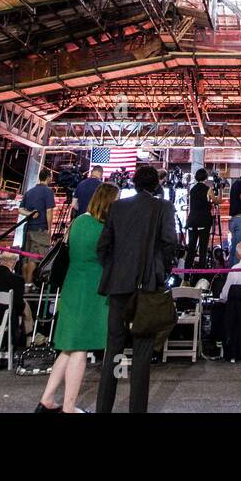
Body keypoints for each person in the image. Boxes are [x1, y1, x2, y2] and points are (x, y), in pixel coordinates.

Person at [95, 164, 181, 414]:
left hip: (118, 286)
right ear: (157, 185)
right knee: (142, 354)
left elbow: (103, 247)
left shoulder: (117, 207)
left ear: (133, 183)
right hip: (146, 286)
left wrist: (115, 270)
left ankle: (103, 408)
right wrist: (161, 273)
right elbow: (169, 244)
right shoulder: (163, 207)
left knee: (113, 350)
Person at [38, 182, 119, 412]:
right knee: (80, 349)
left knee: (68, 347)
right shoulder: (102, 228)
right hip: (92, 289)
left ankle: (47, 398)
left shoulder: (78, 222)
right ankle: (70, 406)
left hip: (71, 285)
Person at [20, 169, 57, 283]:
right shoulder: (48, 192)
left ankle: (25, 283)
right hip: (40, 228)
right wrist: (49, 229)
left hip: (28, 228)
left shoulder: (29, 192)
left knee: (26, 257)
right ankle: (30, 283)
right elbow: (49, 211)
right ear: (48, 177)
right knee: (35, 257)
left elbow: (20, 210)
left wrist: (30, 214)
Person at [184, 168, 215, 279]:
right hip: (203, 221)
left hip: (192, 221)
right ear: (206, 178)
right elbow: (216, 201)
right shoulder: (208, 189)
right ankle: (200, 277)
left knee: (191, 250)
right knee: (202, 250)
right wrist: (220, 190)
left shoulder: (192, 189)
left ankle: (186, 277)